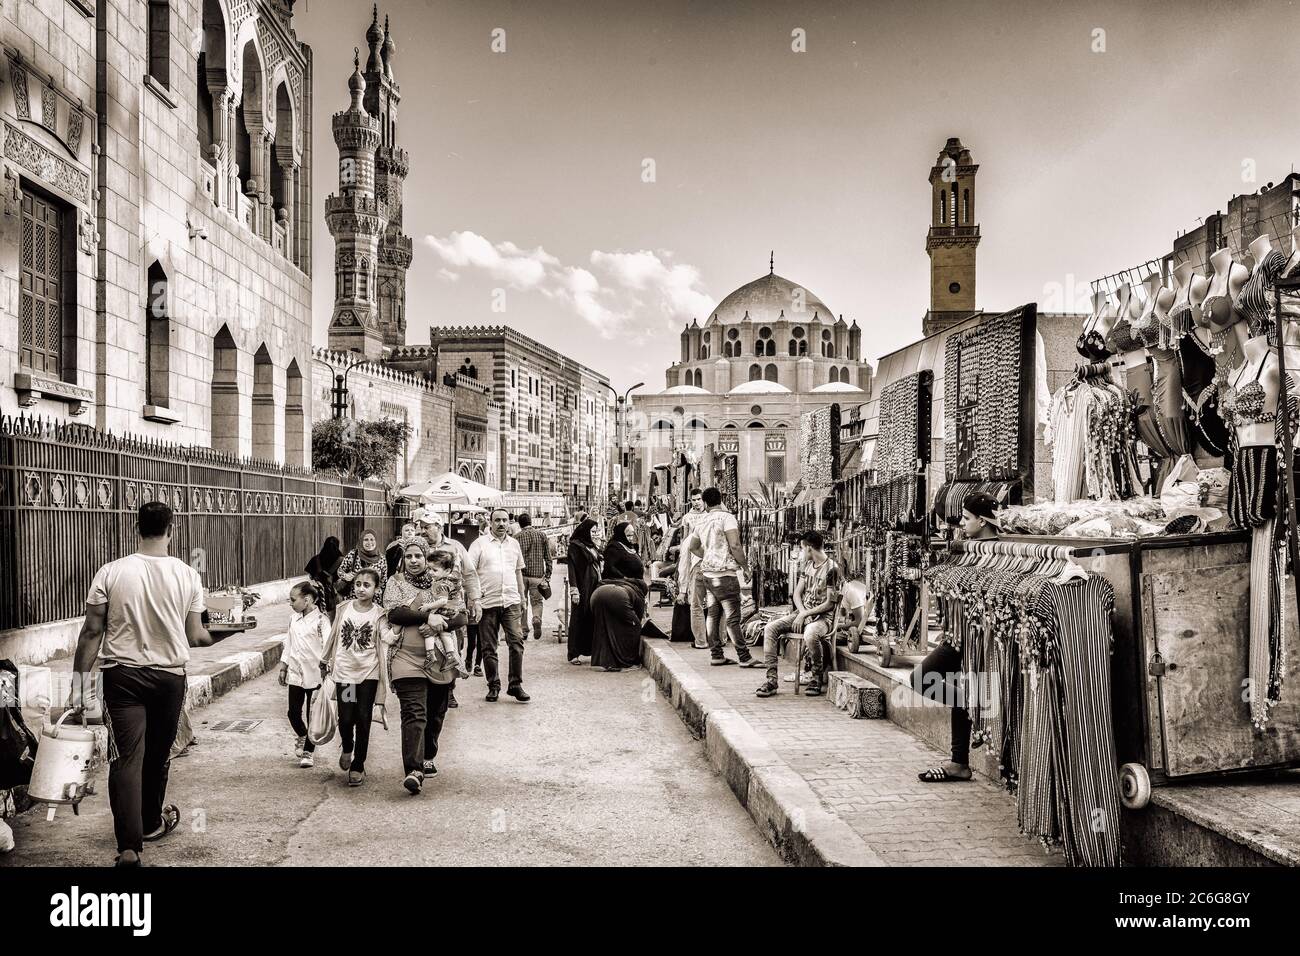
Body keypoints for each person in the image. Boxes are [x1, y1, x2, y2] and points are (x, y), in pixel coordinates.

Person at [71, 501, 211, 867]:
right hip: (169, 679)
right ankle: (150, 822)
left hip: (122, 677)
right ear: (172, 529)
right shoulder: (187, 575)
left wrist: (78, 685)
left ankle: (130, 846)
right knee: (157, 755)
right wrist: (216, 636)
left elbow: (91, 632)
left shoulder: (112, 572)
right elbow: (195, 635)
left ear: (137, 528)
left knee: (126, 758)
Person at [913, 490, 1001, 784]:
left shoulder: (997, 553)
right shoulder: (969, 549)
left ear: (982, 520)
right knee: (935, 683)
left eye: (966, 518)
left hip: (976, 637)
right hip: (961, 635)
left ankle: (959, 761)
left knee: (923, 678)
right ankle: (960, 758)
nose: (962, 524)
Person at [383, 540, 469, 792]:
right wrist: (426, 616)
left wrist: (439, 623)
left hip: (440, 659)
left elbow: (461, 615)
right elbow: (394, 613)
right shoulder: (395, 582)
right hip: (405, 658)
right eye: (408, 556)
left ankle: (428, 753)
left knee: (436, 713)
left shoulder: (445, 582)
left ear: (426, 557)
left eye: (418, 555)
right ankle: (413, 769)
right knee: (414, 713)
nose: (413, 560)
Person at [321, 567, 388, 788]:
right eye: (358, 584)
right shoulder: (343, 608)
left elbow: (385, 638)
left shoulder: (380, 613)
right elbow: (333, 636)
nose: (361, 589)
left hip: (368, 673)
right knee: (347, 717)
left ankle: (358, 764)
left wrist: (395, 634)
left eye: (367, 585)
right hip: (346, 674)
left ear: (376, 589)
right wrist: (325, 659)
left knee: (363, 718)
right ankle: (347, 746)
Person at [755, 530, 840, 698]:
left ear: (809, 548)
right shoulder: (808, 566)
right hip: (803, 613)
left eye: (802, 548)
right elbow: (796, 594)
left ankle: (816, 677)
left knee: (810, 634)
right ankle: (771, 680)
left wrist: (806, 614)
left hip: (823, 618)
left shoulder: (832, 569)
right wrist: (802, 613)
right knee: (770, 628)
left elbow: (830, 603)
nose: (801, 552)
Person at [683, 487, 757, 667]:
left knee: (713, 615)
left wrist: (708, 555)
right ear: (720, 500)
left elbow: (692, 547)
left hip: (708, 574)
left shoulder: (701, 520)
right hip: (725, 574)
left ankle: (716, 655)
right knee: (732, 617)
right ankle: (744, 657)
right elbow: (735, 544)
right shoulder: (727, 518)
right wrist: (745, 567)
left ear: (706, 503)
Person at [415, 508, 481, 702]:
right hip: (425, 607)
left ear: (438, 527)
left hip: (450, 608)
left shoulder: (456, 547)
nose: (423, 531)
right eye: (421, 527)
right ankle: (427, 687)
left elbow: (469, 574)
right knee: (426, 647)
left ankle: (448, 690)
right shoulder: (418, 548)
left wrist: (475, 600)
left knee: (452, 646)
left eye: (427, 527)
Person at [467, 508, 530, 702]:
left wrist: (522, 596)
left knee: (516, 642)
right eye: (497, 521)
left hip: (510, 601)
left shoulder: (514, 544)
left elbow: (518, 571)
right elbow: (469, 573)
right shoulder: (479, 544)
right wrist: (473, 599)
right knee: (488, 647)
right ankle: (493, 685)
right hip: (487, 602)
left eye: (504, 520)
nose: (501, 524)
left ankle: (515, 685)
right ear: (490, 523)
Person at [279, 580, 330, 769]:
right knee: (293, 713)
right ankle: (302, 735)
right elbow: (289, 642)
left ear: (307, 600)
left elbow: (328, 648)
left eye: (293, 600)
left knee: (312, 716)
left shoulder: (321, 622)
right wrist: (284, 666)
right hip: (296, 674)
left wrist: (328, 671)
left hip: (316, 676)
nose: (290, 603)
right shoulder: (293, 619)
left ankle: (309, 751)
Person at [590, 523, 649, 671]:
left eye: (632, 534)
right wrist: (626, 578)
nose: (631, 536)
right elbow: (610, 568)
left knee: (613, 626)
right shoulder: (614, 547)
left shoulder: (631, 547)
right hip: (619, 586)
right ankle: (627, 661)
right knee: (633, 626)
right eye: (628, 534)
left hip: (612, 591)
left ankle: (607, 662)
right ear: (621, 533)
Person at [413, 550, 471, 680]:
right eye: (429, 569)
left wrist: (428, 606)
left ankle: (430, 655)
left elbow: (443, 601)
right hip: (455, 611)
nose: (430, 573)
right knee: (445, 633)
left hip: (446, 610)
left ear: (447, 571)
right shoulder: (452, 580)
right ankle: (450, 656)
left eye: (435, 570)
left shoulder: (441, 584)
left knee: (429, 630)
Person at [675, 488, 709, 648]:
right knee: (696, 602)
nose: (696, 502)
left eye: (699, 499)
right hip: (692, 558)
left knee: (711, 603)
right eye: (694, 499)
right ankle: (701, 638)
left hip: (708, 560)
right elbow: (685, 540)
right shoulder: (687, 518)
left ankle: (713, 638)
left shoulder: (710, 516)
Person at [566, 518, 601, 664]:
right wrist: (574, 590)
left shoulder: (592, 546)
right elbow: (572, 569)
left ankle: (590, 650)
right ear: (585, 531)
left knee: (591, 618)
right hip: (582, 588)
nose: (594, 534)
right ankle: (573, 653)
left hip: (594, 586)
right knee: (577, 619)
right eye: (592, 532)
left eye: (596, 531)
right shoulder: (575, 546)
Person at [516, 513, 553, 641]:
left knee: (522, 601)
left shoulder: (516, 538)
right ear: (531, 521)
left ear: (519, 524)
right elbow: (548, 557)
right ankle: (536, 618)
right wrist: (547, 575)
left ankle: (524, 630)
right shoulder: (542, 535)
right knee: (537, 602)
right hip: (537, 576)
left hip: (521, 576)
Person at [338, 529, 388, 601]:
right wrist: (346, 576)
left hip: (374, 599)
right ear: (361, 541)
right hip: (354, 598)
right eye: (366, 540)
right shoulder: (353, 554)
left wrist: (380, 591)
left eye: (372, 539)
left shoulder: (382, 558)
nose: (369, 542)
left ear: (376, 541)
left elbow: (383, 581)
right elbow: (340, 570)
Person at [305, 535, 343, 619]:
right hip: (335, 597)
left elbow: (310, 577)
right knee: (334, 620)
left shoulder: (316, 559)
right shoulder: (342, 561)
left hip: (317, 596)